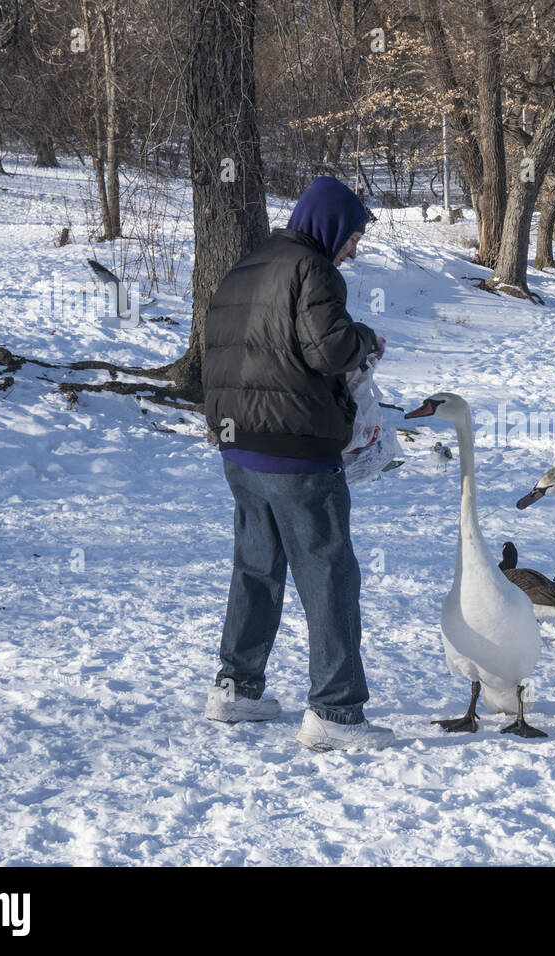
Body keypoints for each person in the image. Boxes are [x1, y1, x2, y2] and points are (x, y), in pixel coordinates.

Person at [201, 175, 394, 751]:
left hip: (238, 443)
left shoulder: (246, 266)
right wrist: (366, 340)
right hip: (296, 448)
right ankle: (335, 712)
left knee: (257, 566)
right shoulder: (313, 269)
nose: (353, 250)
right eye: (354, 235)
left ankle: (236, 688)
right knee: (328, 571)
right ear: (332, 225)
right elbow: (328, 348)